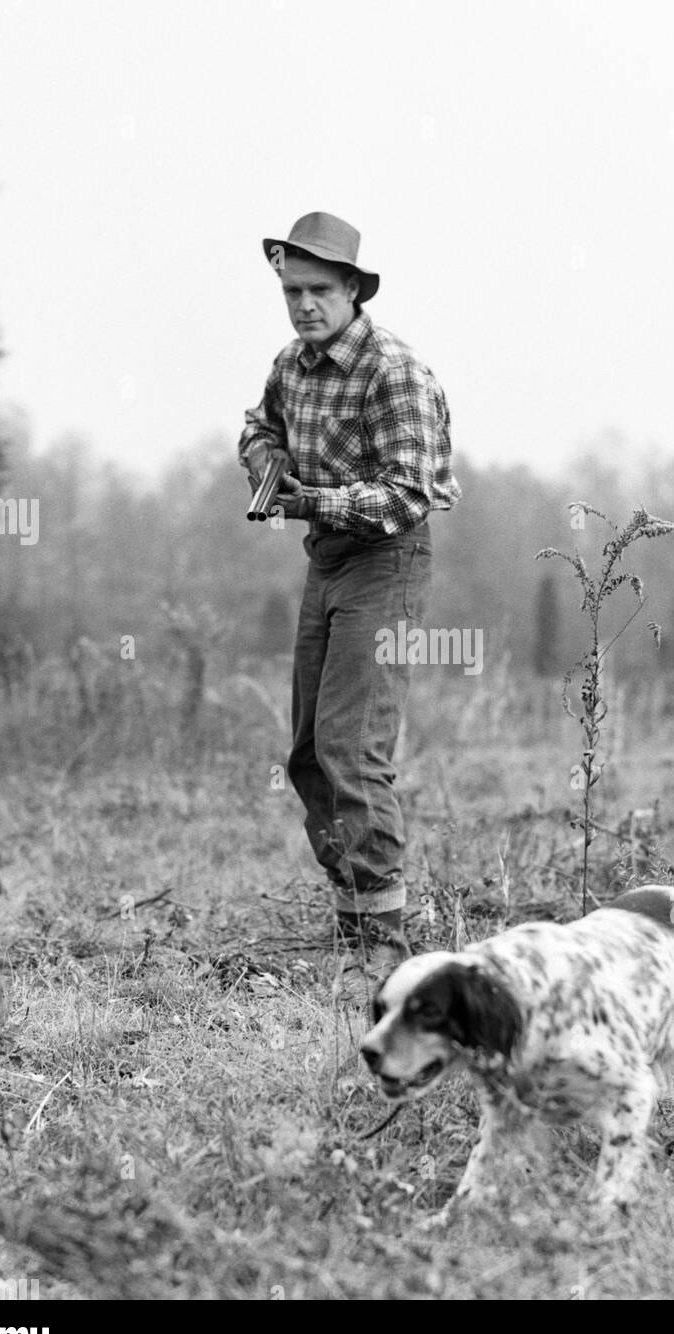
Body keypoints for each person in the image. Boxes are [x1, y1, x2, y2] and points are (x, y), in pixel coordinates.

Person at [239, 211, 460, 1001]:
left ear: (353, 291)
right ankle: (352, 918)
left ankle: (383, 943)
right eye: (292, 291)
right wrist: (265, 461)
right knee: (307, 752)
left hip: (386, 562)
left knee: (351, 748)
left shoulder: (394, 372)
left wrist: (309, 500)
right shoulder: (290, 364)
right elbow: (257, 424)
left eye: (319, 291)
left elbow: (407, 496)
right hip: (326, 559)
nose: (304, 305)